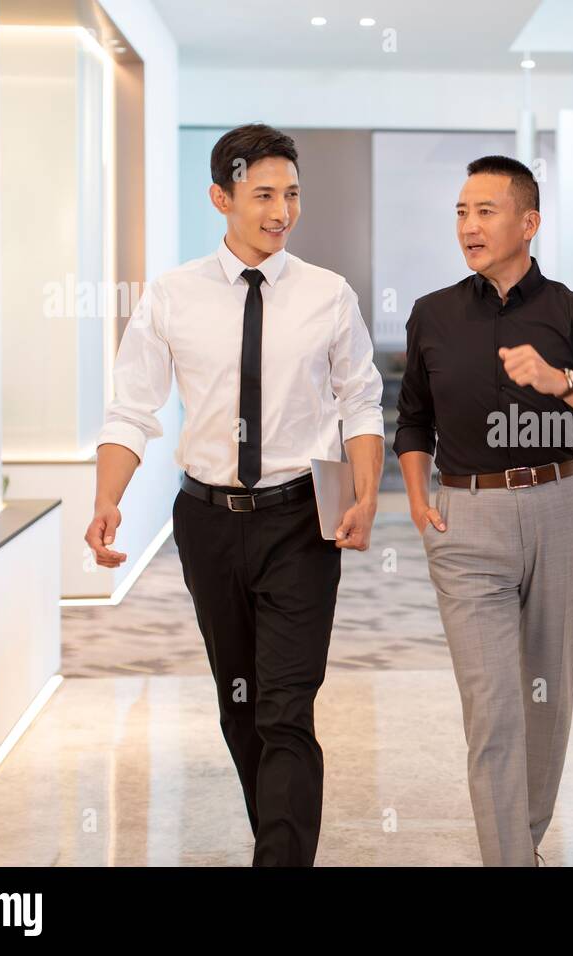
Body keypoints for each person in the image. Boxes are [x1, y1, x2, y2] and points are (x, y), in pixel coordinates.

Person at [85, 124, 385, 866]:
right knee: (242, 704)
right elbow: (132, 408)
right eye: (263, 195)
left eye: (291, 194)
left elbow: (362, 403)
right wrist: (106, 499)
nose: (281, 211)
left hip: (298, 520)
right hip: (208, 523)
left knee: (287, 707)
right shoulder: (172, 296)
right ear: (221, 197)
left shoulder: (328, 295)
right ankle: (276, 839)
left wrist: (367, 495)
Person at [394, 155, 573, 867]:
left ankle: (517, 844)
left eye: (485, 211)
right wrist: (415, 494)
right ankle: (511, 859)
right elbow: (414, 419)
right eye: (462, 213)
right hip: (468, 520)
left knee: (547, 698)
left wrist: (561, 381)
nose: (469, 226)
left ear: (528, 222)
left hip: (560, 509)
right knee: (493, 706)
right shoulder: (431, 314)